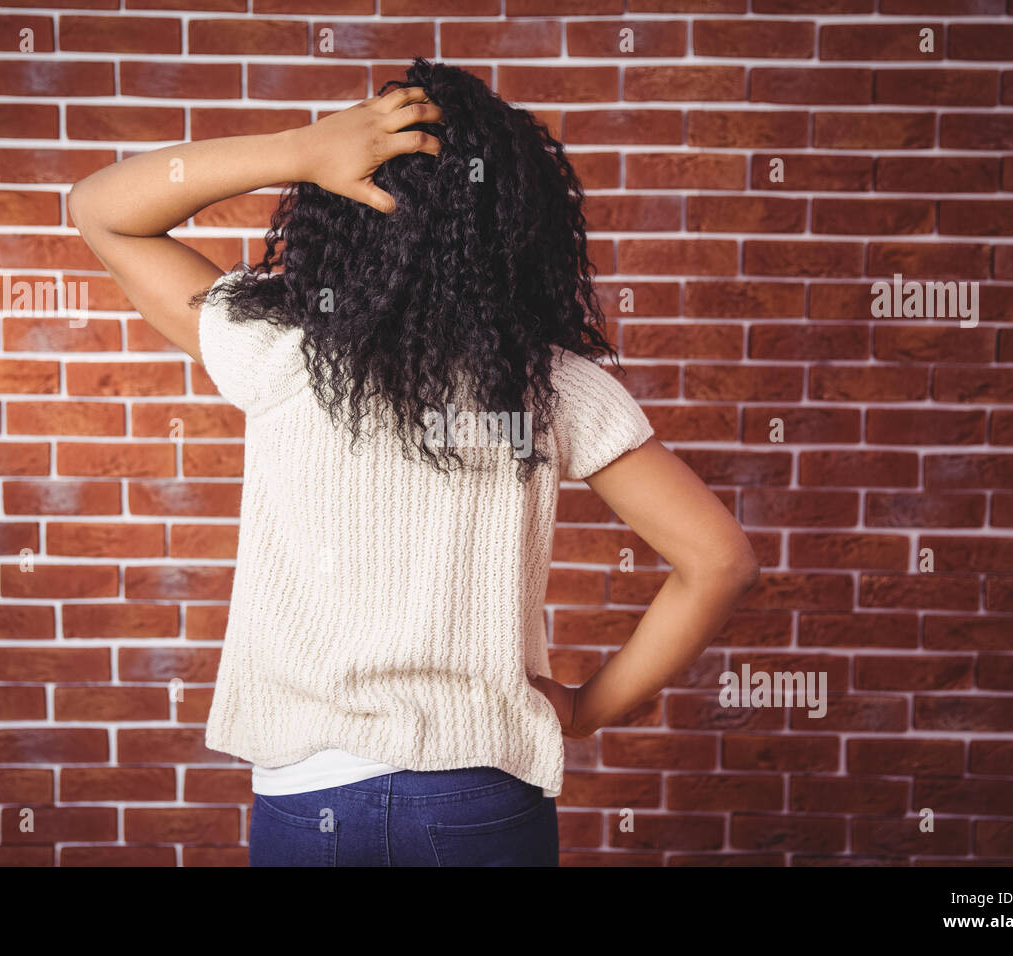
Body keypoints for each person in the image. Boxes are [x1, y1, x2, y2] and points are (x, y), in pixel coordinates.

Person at [69, 57, 759, 867]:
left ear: (341, 207)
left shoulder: (282, 351)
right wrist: (583, 709)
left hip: (311, 795)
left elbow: (100, 210)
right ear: (517, 224)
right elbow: (720, 561)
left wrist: (302, 148)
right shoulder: (552, 386)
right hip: (479, 799)